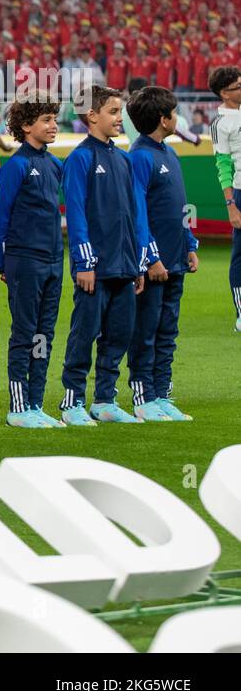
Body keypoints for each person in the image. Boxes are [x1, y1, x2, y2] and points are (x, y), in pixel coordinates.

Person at [59, 86, 152, 426]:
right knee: (84, 334)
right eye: (113, 112)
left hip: (125, 265)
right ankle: (71, 402)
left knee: (119, 335)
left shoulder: (124, 159)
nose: (119, 118)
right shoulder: (81, 158)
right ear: (92, 116)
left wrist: (139, 262)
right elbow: (77, 214)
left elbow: (135, 213)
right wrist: (84, 263)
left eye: (120, 112)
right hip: (95, 268)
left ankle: (105, 400)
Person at [125, 87, 199, 421]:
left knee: (167, 329)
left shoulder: (170, 154)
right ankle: (143, 397)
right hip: (154, 263)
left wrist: (190, 243)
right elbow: (136, 211)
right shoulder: (139, 157)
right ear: (162, 118)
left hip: (176, 258)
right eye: (173, 112)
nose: (177, 118)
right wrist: (150, 257)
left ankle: (162, 393)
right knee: (147, 329)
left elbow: (183, 205)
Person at [0, 93, 65, 429]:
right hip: (25, 260)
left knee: (43, 335)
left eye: (54, 118)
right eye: (46, 119)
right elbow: (1, 215)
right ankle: (18, 407)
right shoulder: (17, 166)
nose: (53, 125)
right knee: (24, 333)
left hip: (53, 260)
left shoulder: (54, 164)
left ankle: (35, 402)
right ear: (25, 126)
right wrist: (3, 262)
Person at [207, 66, 241, 330]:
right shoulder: (220, 123)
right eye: (237, 87)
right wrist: (231, 205)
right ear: (224, 93)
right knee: (239, 255)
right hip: (240, 192)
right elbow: (223, 165)